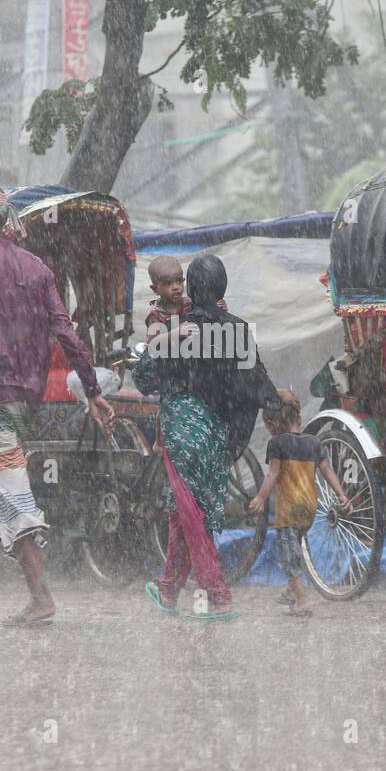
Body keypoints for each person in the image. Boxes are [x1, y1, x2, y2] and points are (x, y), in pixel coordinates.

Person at [0, 184, 115, 626]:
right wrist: (92, 391)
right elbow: (68, 333)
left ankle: (41, 598)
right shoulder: (37, 267)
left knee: (14, 498)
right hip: (27, 398)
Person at [136, 254, 279, 620]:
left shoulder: (180, 330)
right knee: (183, 509)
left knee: (189, 511)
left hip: (182, 433)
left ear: (191, 287)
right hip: (219, 437)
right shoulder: (237, 331)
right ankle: (169, 588)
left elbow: (143, 379)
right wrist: (235, 435)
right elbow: (259, 389)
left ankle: (217, 595)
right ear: (222, 288)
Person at [247, 390, 353, 616]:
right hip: (309, 511)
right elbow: (328, 471)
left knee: (288, 559)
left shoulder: (277, 443)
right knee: (294, 548)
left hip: (288, 512)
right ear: (299, 417)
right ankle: (291, 591)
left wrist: (260, 497)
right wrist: (342, 495)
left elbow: (273, 474)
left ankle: (302, 600)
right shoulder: (313, 442)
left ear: (272, 422)